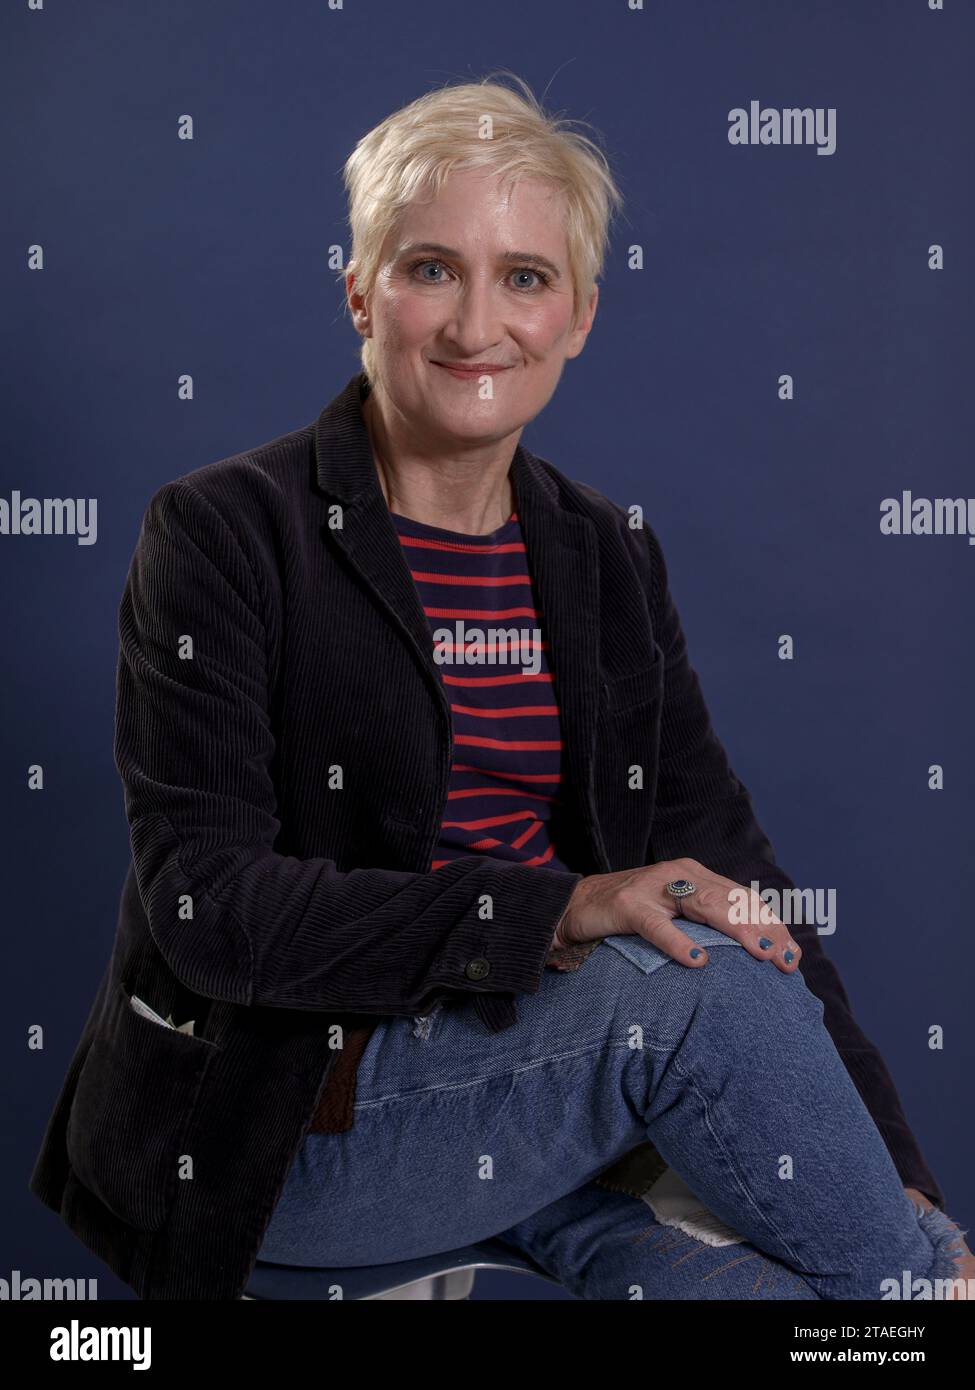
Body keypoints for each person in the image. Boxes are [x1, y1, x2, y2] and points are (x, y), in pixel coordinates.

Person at [29, 73, 971, 1301]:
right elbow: (212, 907)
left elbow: (731, 868)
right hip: (292, 1122)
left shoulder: (604, 554)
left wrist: (898, 1179)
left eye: (526, 276)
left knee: (793, 1295)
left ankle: (920, 1278)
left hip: (555, 1107)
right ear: (360, 290)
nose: (480, 323)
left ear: (579, 313)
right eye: (432, 268)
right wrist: (552, 912)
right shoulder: (222, 533)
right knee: (702, 993)